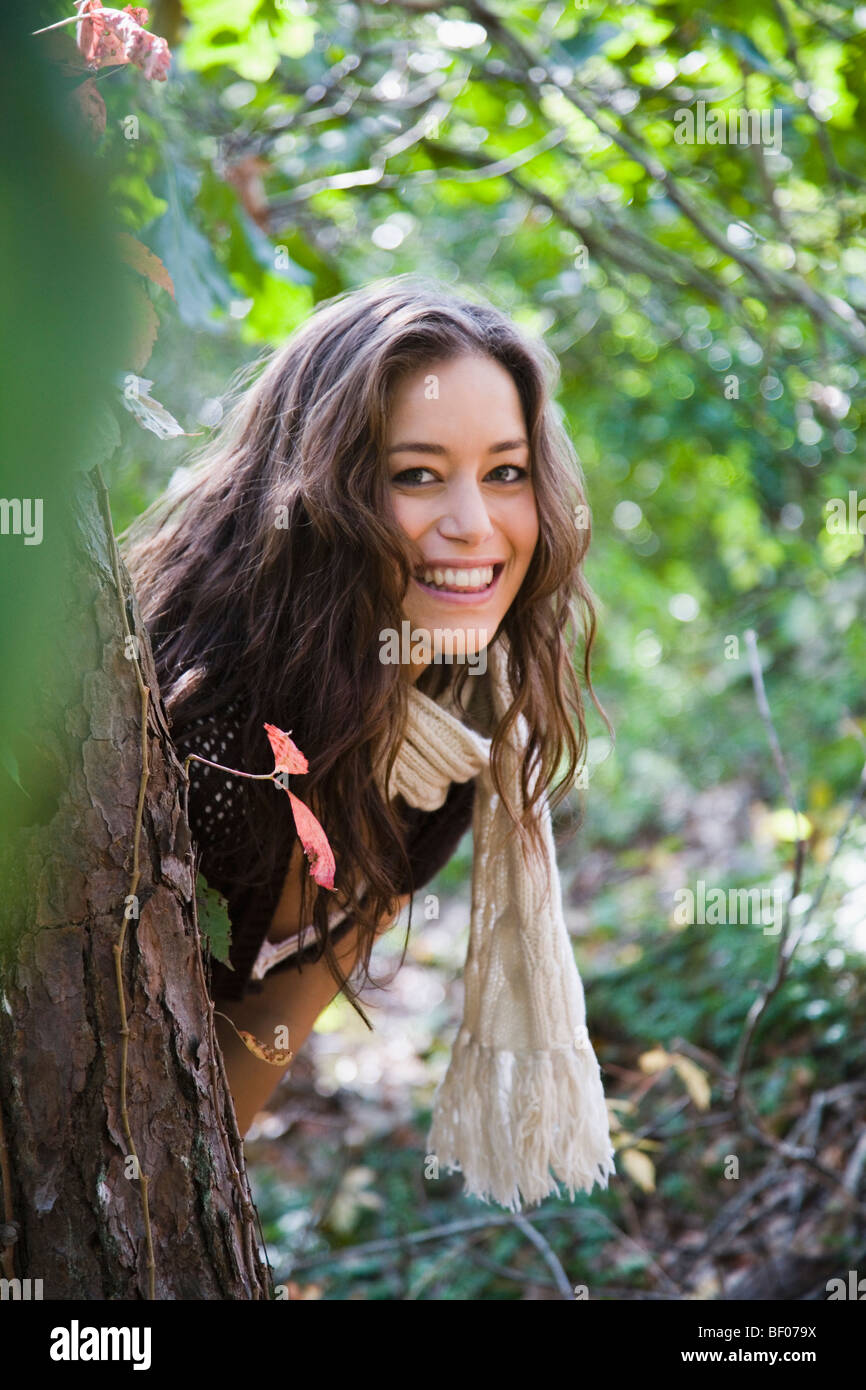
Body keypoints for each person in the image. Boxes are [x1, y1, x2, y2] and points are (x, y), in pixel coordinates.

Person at [120, 276, 613, 1206]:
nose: (475, 526)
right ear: (321, 495)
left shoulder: (448, 755)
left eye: (505, 472)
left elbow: (267, 1026)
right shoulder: (206, 738)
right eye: (417, 474)